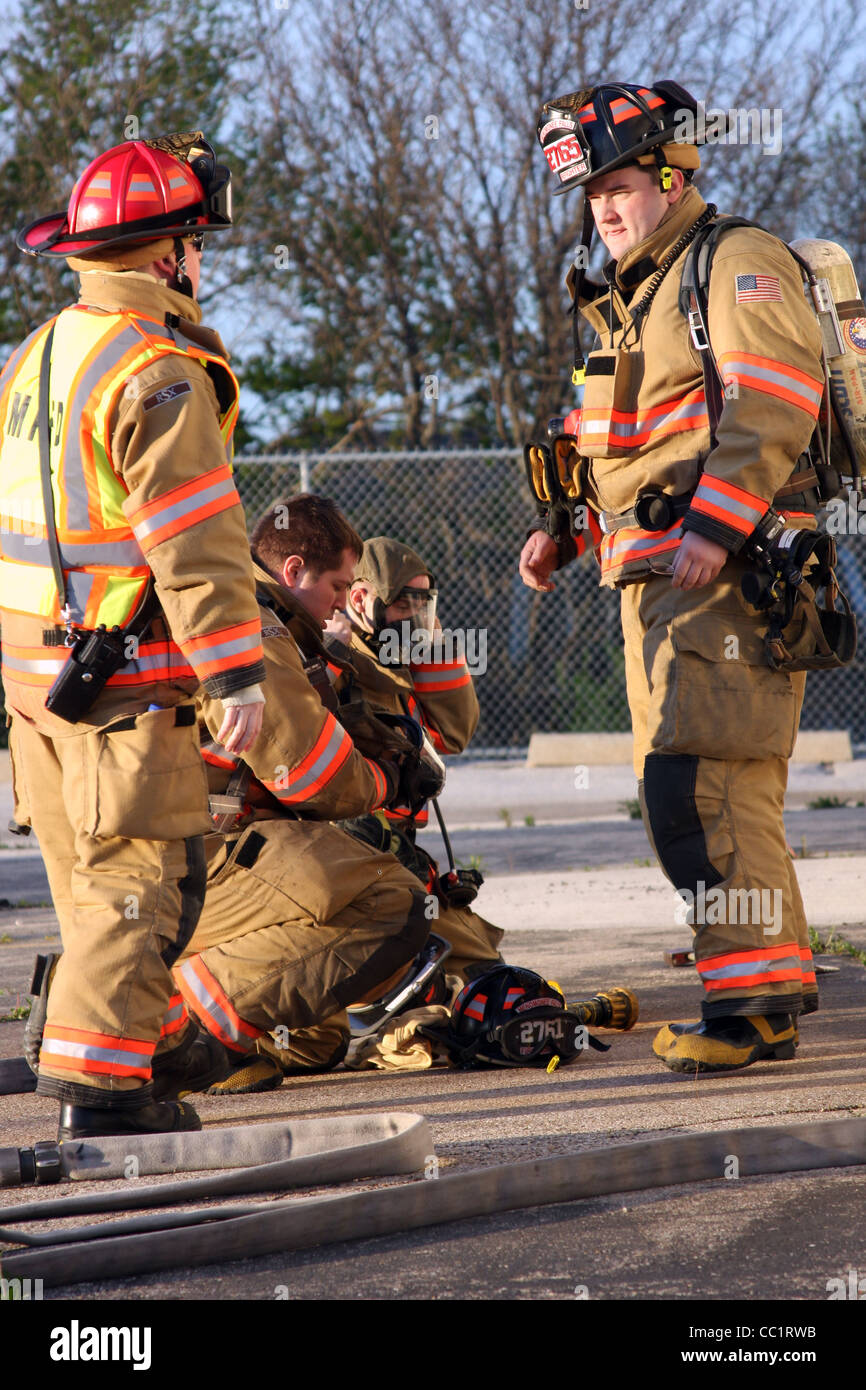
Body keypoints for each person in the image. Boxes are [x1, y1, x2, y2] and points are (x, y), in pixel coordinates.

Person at [520, 82, 823, 1073]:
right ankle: (755, 990)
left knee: (707, 785)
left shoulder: (730, 262)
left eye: (614, 184)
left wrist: (714, 521)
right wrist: (560, 526)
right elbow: (603, 438)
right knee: (691, 786)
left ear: (671, 172)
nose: (600, 207)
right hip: (652, 584)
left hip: (724, 578)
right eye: (587, 192)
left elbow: (773, 402)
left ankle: (753, 1010)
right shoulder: (631, 293)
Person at [0, 134, 267, 1139]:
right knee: (144, 885)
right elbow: (193, 536)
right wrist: (235, 671)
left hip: (37, 690)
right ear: (167, 257)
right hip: (123, 689)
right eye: (196, 245)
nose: (200, 266)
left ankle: (120, 1065)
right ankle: (102, 1098)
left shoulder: (36, 353)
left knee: (86, 883)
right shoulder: (156, 370)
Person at [161, 495, 435, 1092]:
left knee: (315, 1037)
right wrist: (390, 779)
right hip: (200, 856)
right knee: (395, 903)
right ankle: (171, 1018)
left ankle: (200, 1013)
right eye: (338, 586)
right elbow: (311, 776)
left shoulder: (269, 619)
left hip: (203, 847)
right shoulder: (255, 628)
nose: (342, 601)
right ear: (293, 573)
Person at [327, 535, 504, 974]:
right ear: (361, 597)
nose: (415, 618)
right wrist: (330, 657)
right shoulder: (329, 650)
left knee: (480, 961)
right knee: (465, 963)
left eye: (425, 605)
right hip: (350, 851)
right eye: (405, 605)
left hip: (402, 845)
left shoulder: (406, 658)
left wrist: (433, 639)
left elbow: (452, 733)